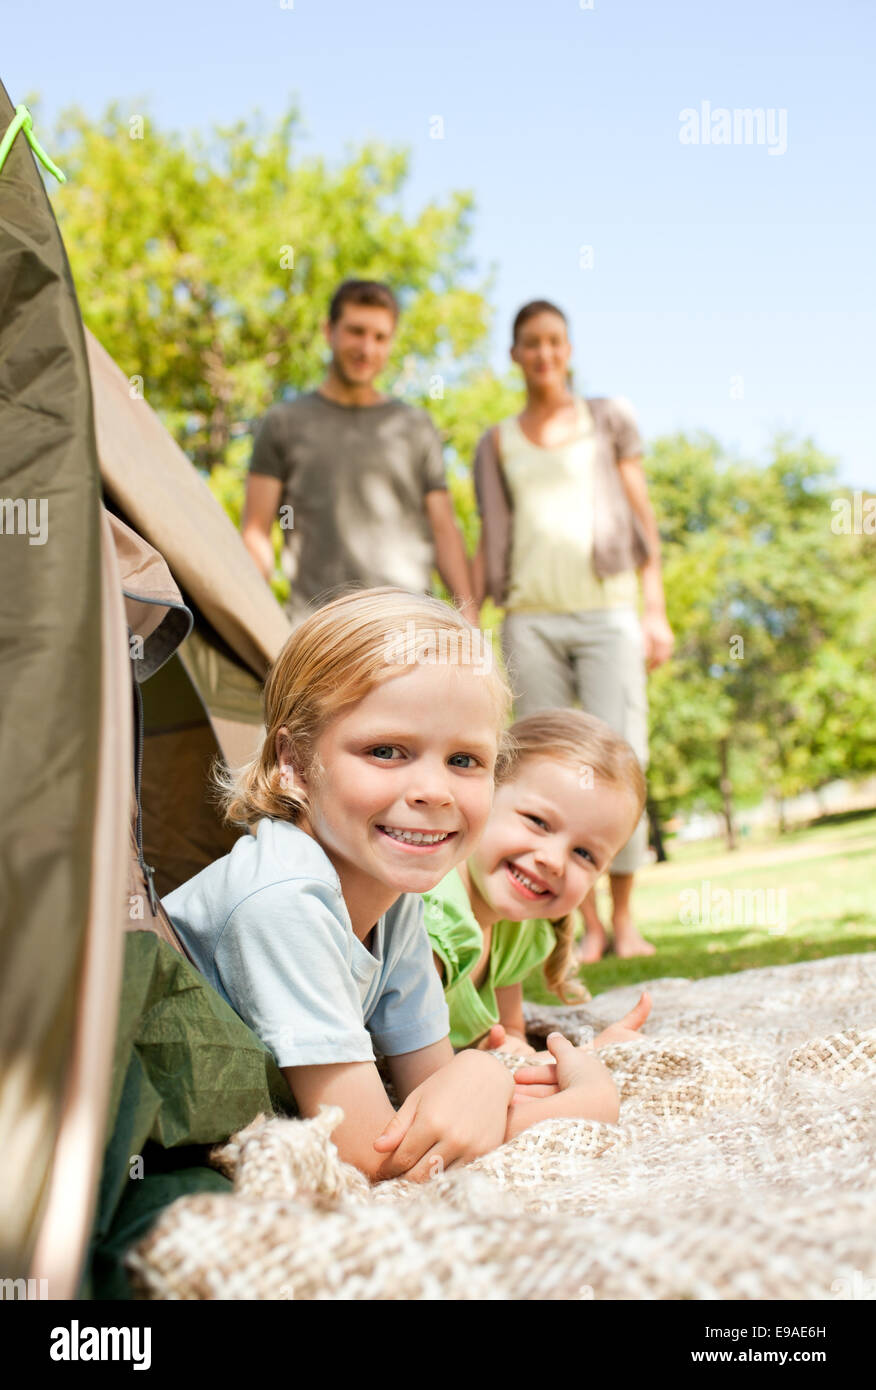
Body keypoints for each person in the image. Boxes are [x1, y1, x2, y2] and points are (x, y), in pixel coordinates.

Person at [162, 588, 620, 1183]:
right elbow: (375, 1152)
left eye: (464, 760)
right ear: (295, 764)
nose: (435, 790)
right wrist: (565, 1100)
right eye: (386, 751)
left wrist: (485, 1083)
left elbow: (426, 1098)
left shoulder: (397, 904)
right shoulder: (280, 900)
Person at [472, 300, 674, 962]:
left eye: (555, 341)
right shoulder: (495, 442)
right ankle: (583, 930)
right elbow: (487, 540)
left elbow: (643, 517)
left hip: (608, 609)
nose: (544, 354)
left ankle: (624, 921)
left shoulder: (608, 417)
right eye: (531, 343)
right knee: (545, 772)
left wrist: (654, 608)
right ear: (514, 355)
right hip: (529, 617)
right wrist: (467, 623)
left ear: (569, 348)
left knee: (623, 756)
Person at [424, 709, 652, 1070]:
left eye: (584, 854)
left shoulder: (522, 931)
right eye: (539, 822)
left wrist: (517, 1053)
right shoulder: (433, 914)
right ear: (484, 792)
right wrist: (591, 1054)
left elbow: (508, 1036)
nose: (554, 861)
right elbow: (422, 1074)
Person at [242, 279, 477, 626]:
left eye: (380, 337)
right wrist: (249, 614)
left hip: (408, 623)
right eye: (356, 331)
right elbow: (256, 532)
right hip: (318, 628)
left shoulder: (415, 426)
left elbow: (444, 530)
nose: (367, 348)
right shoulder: (283, 423)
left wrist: (468, 614)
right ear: (329, 331)